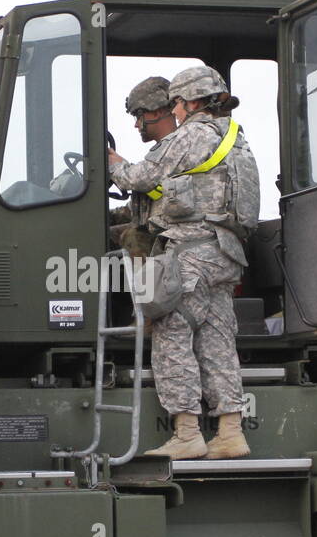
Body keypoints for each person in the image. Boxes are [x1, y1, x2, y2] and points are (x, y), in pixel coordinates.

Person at [108, 65, 259, 459]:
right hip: (225, 252)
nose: (173, 110)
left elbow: (142, 176)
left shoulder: (192, 134)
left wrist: (112, 163)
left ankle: (188, 431)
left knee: (172, 332)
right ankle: (230, 432)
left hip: (192, 253)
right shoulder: (235, 138)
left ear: (190, 101)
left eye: (175, 102)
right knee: (217, 340)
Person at [108, 76, 177, 259]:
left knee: (133, 237)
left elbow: (138, 179)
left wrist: (116, 167)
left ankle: (146, 287)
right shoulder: (162, 153)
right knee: (101, 231)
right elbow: (153, 194)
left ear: (156, 111)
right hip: (161, 225)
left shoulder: (178, 147)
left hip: (173, 235)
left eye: (139, 115)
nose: (136, 124)